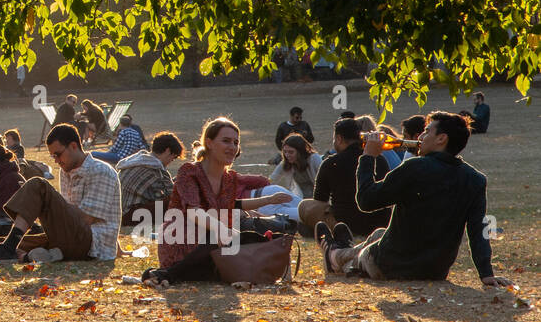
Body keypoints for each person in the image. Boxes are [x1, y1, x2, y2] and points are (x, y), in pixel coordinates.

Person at [316, 112, 508, 289]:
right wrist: (486, 273)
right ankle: (342, 250)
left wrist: (367, 157)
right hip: (435, 270)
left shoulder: (414, 167)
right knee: (379, 234)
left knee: (362, 257)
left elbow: (366, 201)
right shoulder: (475, 179)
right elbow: (477, 229)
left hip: (390, 264)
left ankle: (334, 256)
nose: (420, 138)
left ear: (441, 139)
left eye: (426, 132)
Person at [146, 118, 293, 285]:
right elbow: (194, 211)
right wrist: (220, 228)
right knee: (222, 236)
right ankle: (168, 273)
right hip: (181, 241)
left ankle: (164, 275)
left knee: (259, 237)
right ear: (209, 143)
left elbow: (233, 205)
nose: (232, 147)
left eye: (236, 142)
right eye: (226, 141)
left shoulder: (229, 178)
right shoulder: (189, 172)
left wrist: (268, 200)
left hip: (212, 243)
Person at [0, 123, 121, 265]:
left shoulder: (101, 171)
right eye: (53, 156)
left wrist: (46, 205)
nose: (57, 161)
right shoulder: (66, 171)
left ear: (73, 146)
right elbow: (65, 218)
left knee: (38, 185)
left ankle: (12, 249)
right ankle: (31, 255)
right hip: (67, 238)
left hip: (90, 245)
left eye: (58, 154)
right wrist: (44, 208)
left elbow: (86, 219)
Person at [298, 118, 391, 237]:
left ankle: (336, 232)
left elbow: (320, 200)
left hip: (347, 225)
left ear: (339, 138)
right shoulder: (379, 159)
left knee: (304, 206)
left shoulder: (331, 163)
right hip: (379, 225)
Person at [115, 132, 184, 228]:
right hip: (130, 215)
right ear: (168, 151)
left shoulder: (136, 161)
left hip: (119, 212)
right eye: (174, 157)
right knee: (176, 202)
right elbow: (172, 195)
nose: (171, 162)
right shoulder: (155, 169)